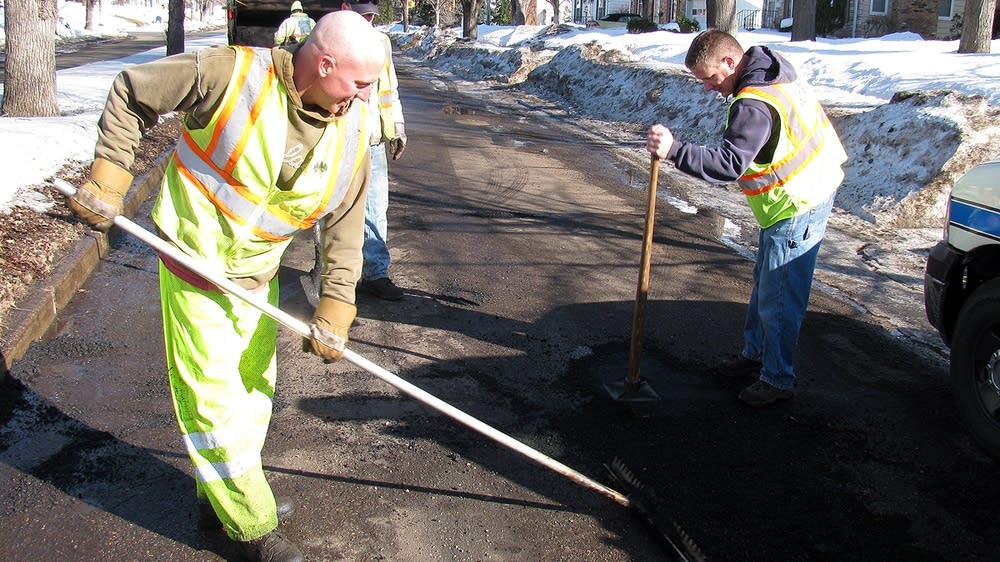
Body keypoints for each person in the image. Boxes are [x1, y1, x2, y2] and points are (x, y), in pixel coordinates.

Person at [66, 11, 386, 562]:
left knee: (251, 392)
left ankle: (217, 500)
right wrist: (110, 176)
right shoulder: (229, 75)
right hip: (194, 263)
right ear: (325, 63)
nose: (362, 98)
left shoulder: (352, 130)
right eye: (358, 84)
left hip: (257, 279)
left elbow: (346, 228)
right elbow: (132, 91)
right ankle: (251, 527)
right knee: (211, 401)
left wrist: (336, 307)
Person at [646, 29, 848, 407]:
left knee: (779, 296)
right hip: (808, 187)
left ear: (730, 62)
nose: (707, 87)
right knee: (766, 286)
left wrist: (675, 150)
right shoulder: (769, 67)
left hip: (797, 201)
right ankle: (754, 357)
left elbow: (728, 164)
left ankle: (776, 378)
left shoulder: (754, 103)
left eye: (710, 78)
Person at [310, 0, 407, 301]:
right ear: (345, 6)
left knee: (376, 210)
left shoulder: (380, 43)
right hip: (339, 140)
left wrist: (397, 127)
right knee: (334, 209)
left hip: (373, 142)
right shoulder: (328, 38)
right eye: (362, 13)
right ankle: (333, 280)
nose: (368, 19)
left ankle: (376, 274)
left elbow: (388, 87)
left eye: (371, 15)